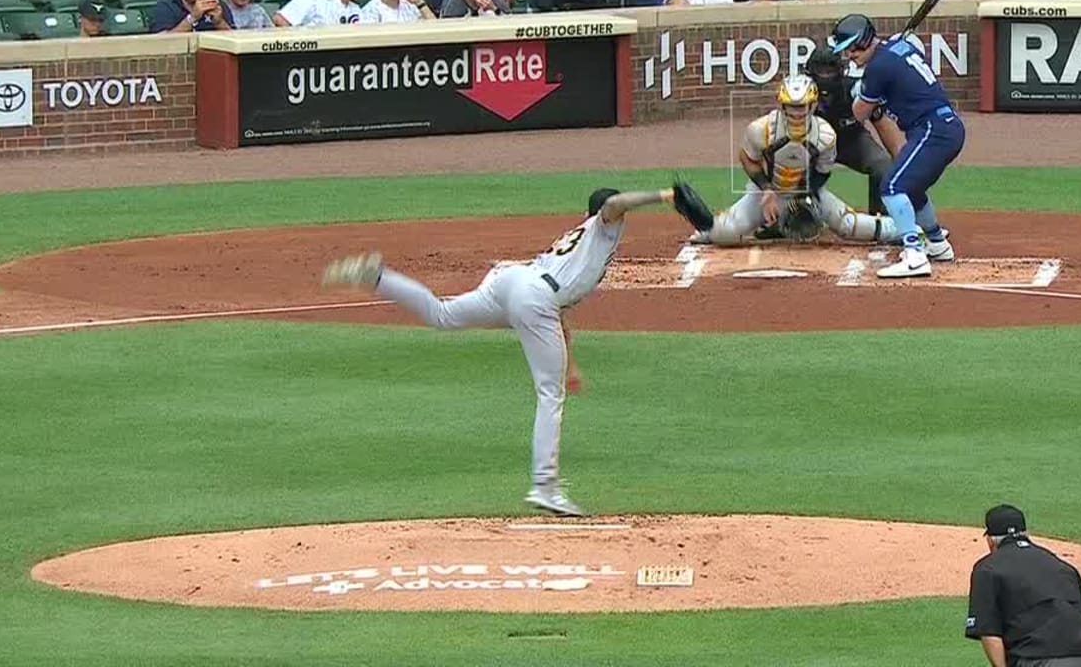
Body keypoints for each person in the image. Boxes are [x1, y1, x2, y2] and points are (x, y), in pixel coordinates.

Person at [321, 185, 705, 517]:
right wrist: (664, 195)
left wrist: (570, 365)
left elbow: (558, 316)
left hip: (512, 283)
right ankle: (545, 486)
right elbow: (613, 205)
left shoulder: (577, 240)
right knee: (549, 394)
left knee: (442, 315)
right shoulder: (602, 226)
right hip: (534, 297)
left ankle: (379, 278)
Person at [689, 74, 899, 245]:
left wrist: (804, 196)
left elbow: (822, 172)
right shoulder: (761, 129)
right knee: (726, 234)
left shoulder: (825, 135)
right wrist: (766, 189)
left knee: (848, 224)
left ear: (813, 105)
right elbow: (747, 157)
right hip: (766, 193)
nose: (797, 113)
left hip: (808, 191)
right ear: (782, 105)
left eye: (802, 106)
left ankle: (899, 229)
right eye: (791, 107)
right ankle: (710, 230)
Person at [836, 13, 962, 278]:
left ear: (864, 41)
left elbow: (859, 113)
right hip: (941, 128)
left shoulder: (878, 68)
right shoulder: (898, 49)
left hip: (934, 130)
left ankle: (914, 255)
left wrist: (858, 90)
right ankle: (937, 244)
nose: (849, 55)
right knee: (911, 188)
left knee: (893, 186)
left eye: (852, 49)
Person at [966, 505, 1081, 667]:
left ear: (990, 540)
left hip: (1039, 659)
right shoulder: (1063, 567)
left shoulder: (987, 568)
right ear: (1026, 533)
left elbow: (989, 633)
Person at [806, 47, 898, 216]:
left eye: (830, 71)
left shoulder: (856, 88)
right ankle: (795, 214)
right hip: (812, 144)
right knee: (789, 164)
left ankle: (881, 218)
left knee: (882, 164)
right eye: (821, 71)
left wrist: (898, 155)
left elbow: (879, 118)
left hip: (851, 140)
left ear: (841, 71)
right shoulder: (800, 90)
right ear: (810, 72)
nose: (825, 76)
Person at [148, 0, 231, 33]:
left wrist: (219, 22)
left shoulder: (216, 5)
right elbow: (162, 43)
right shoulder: (165, 7)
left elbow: (234, 39)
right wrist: (192, 18)